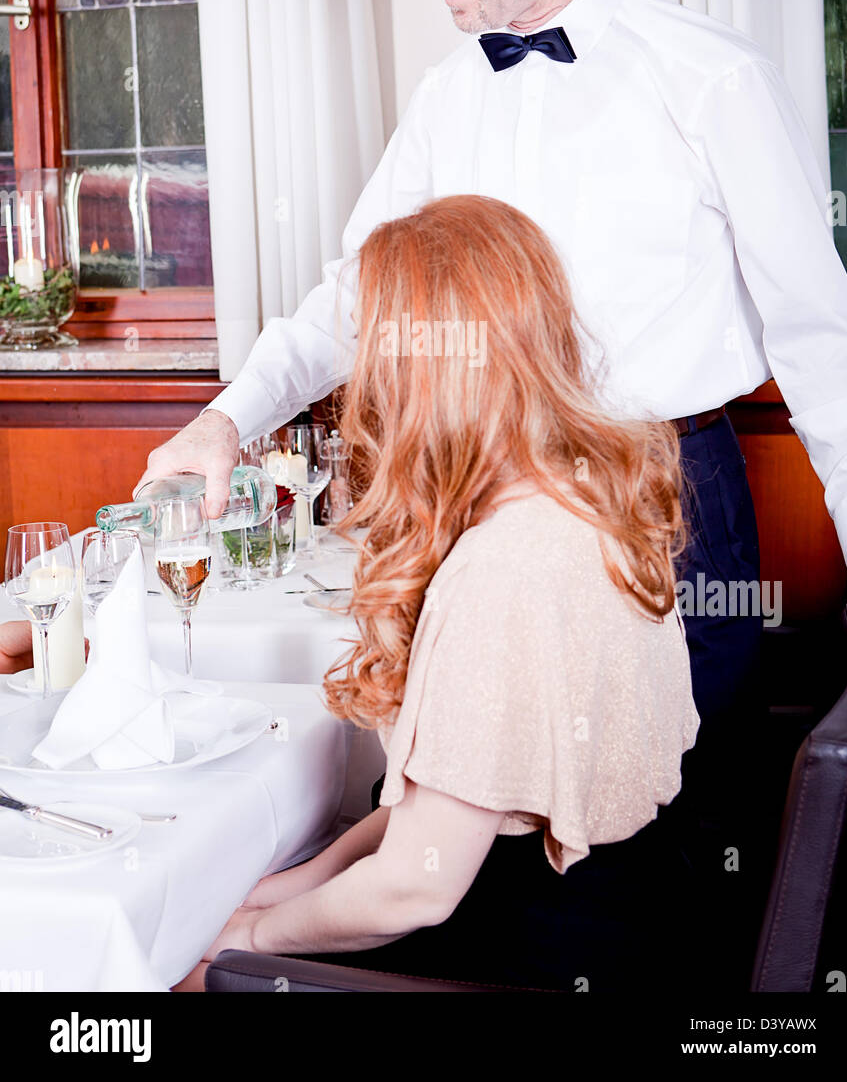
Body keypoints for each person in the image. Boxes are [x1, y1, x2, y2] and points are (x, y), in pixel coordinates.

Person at [141, 0, 847, 941]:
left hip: (671, 505)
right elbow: (356, 295)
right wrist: (231, 414)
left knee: (645, 858)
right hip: (495, 503)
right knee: (466, 822)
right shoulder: (448, 100)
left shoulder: (706, 76)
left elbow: (818, 335)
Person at [178, 195, 700, 993]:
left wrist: (245, 937)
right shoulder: (594, 499)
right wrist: (289, 888)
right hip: (632, 920)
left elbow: (417, 886)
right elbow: (450, 803)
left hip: (532, 955)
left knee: (173, 977)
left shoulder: (500, 571)